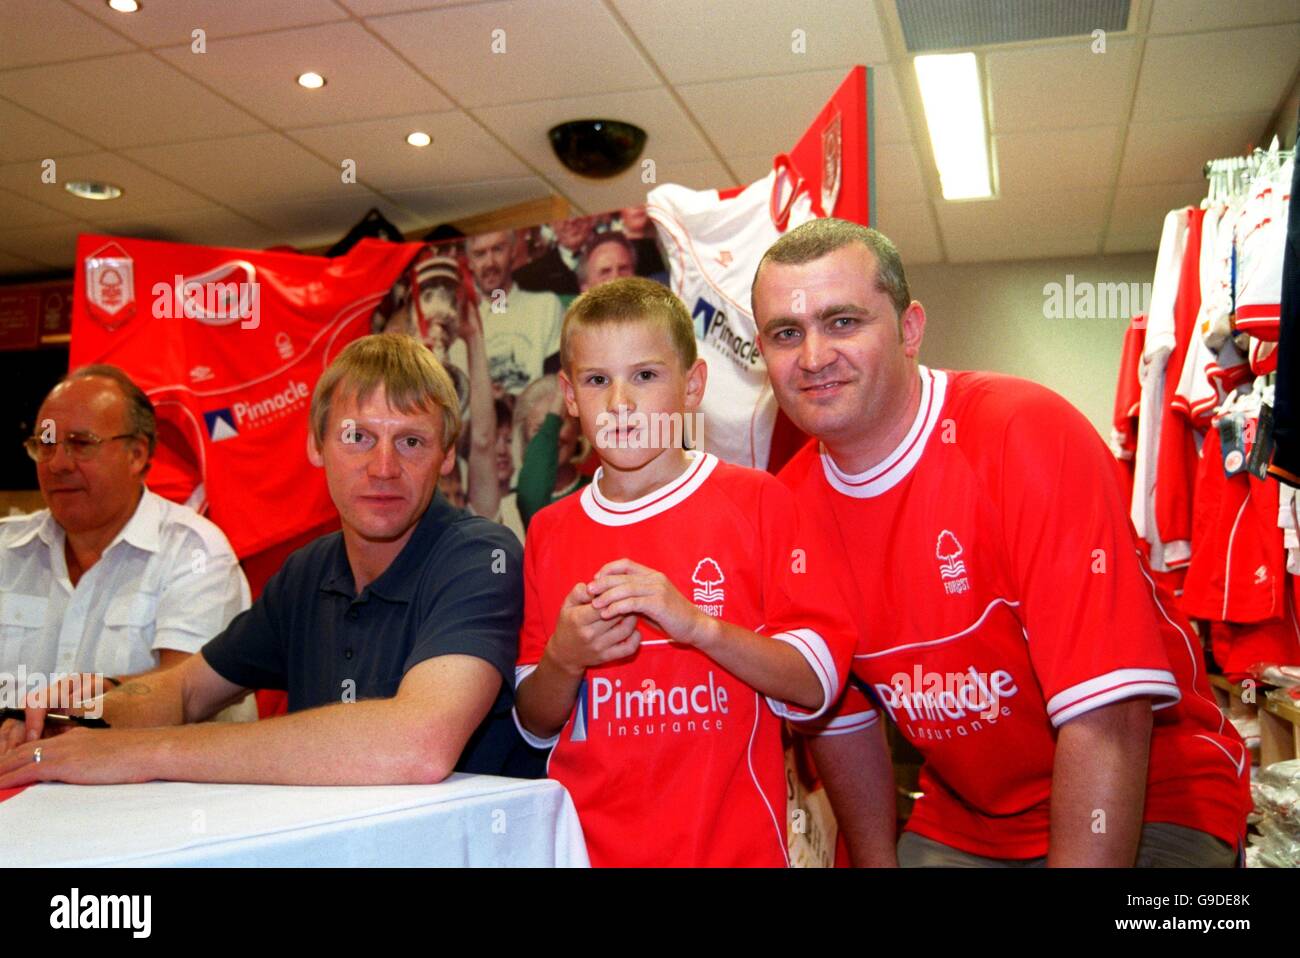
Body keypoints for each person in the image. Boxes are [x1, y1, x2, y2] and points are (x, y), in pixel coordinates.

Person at [752, 218, 1252, 867]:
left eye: (843, 322)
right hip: (969, 819)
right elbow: (840, 723)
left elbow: (1111, 718)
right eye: (786, 334)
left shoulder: (1024, 434)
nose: (814, 357)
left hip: (1155, 792)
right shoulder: (786, 509)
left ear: (909, 329)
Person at [0, 334, 530, 786]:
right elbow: (184, 690)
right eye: (357, 437)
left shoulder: (481, 557)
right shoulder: (308, 572)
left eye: (411, 441)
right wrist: (79, 715)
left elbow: (418, 745)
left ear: (446, 455)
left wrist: (142, 752)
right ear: (316, 446)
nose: (383, 467)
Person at [512, 276, 855, 865]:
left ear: (692, 386)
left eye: (645, 376)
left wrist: (698, 627)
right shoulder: (548, 529)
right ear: (570, 396)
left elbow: (817, 685)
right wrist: (565, 659)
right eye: (598, 380)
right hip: (587, 853)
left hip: (731, 852)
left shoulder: (757, 502)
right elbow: (534, 725)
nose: (621, 404)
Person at [0, 365, 248, 706]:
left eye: (80, 443)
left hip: (139, 761)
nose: (57, 463)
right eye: (45, 445)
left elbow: (189, 695)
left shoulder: (194, 552)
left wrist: (62, 714)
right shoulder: (6, 549)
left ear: (137, 454)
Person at [464, 231, 565, 396]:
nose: (489, 262)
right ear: (470, 262)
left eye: (497, 249)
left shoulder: (544, 306)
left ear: (512, 252)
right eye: (480, 254)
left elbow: (558, 382)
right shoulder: (462, 322)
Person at [513, 216, 596, 296]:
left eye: (577, 212)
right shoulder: (525, 279)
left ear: (592, 217)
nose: (571, 220)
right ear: (551, 223)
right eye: (561, 214)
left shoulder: (608, 256)